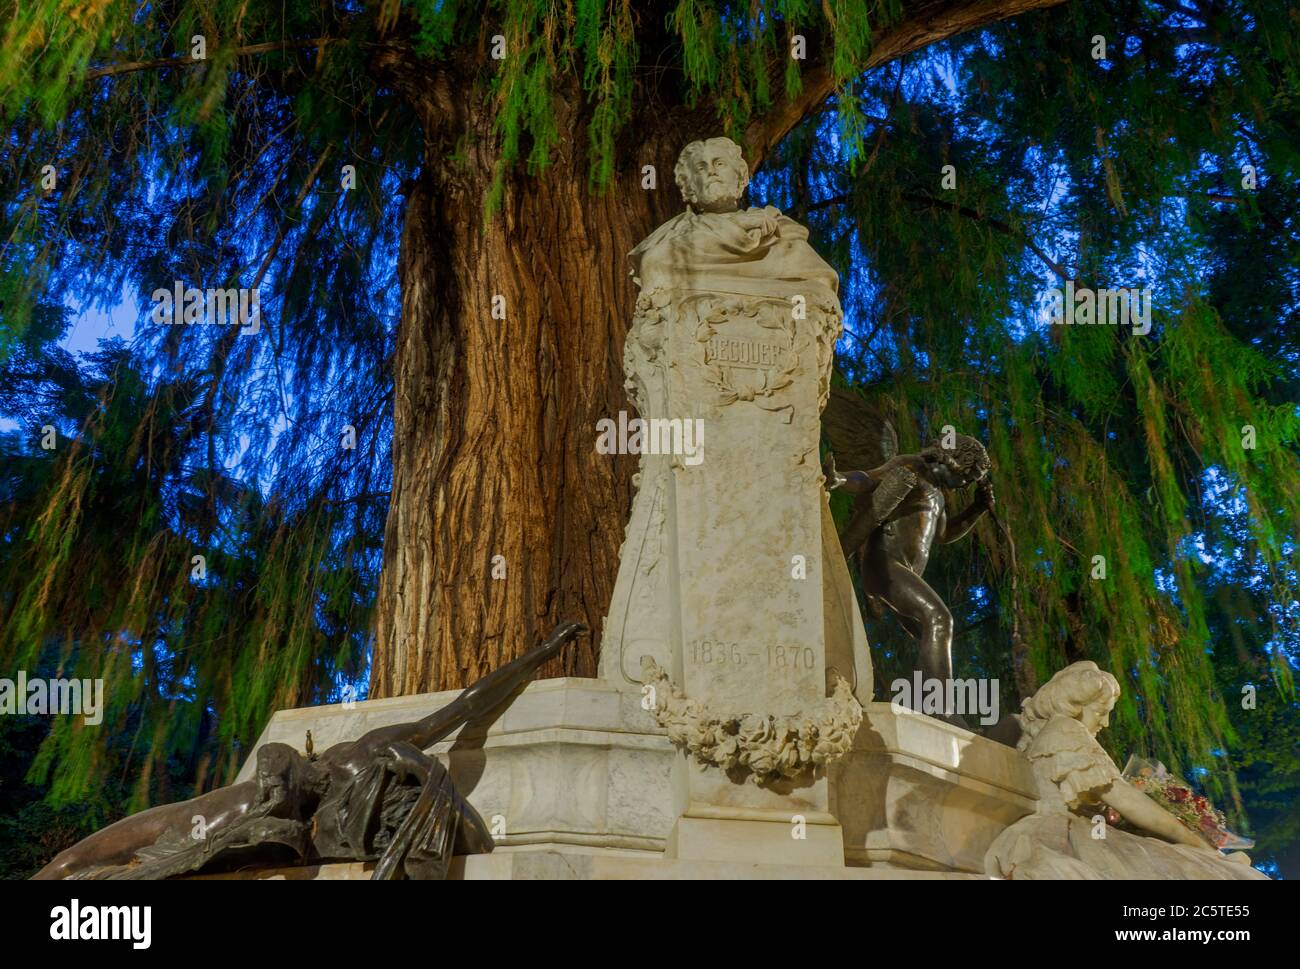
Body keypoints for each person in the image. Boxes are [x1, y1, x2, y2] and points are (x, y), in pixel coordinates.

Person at [984, 661, 1266, 879]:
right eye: (1099, 712)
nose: (1105, 723)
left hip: (1082, 835)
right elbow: (1128, 801)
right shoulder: (1066, 730)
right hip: (1063, 837)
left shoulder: (1056, 733)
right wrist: (1205, 848)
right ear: (1073, 706)